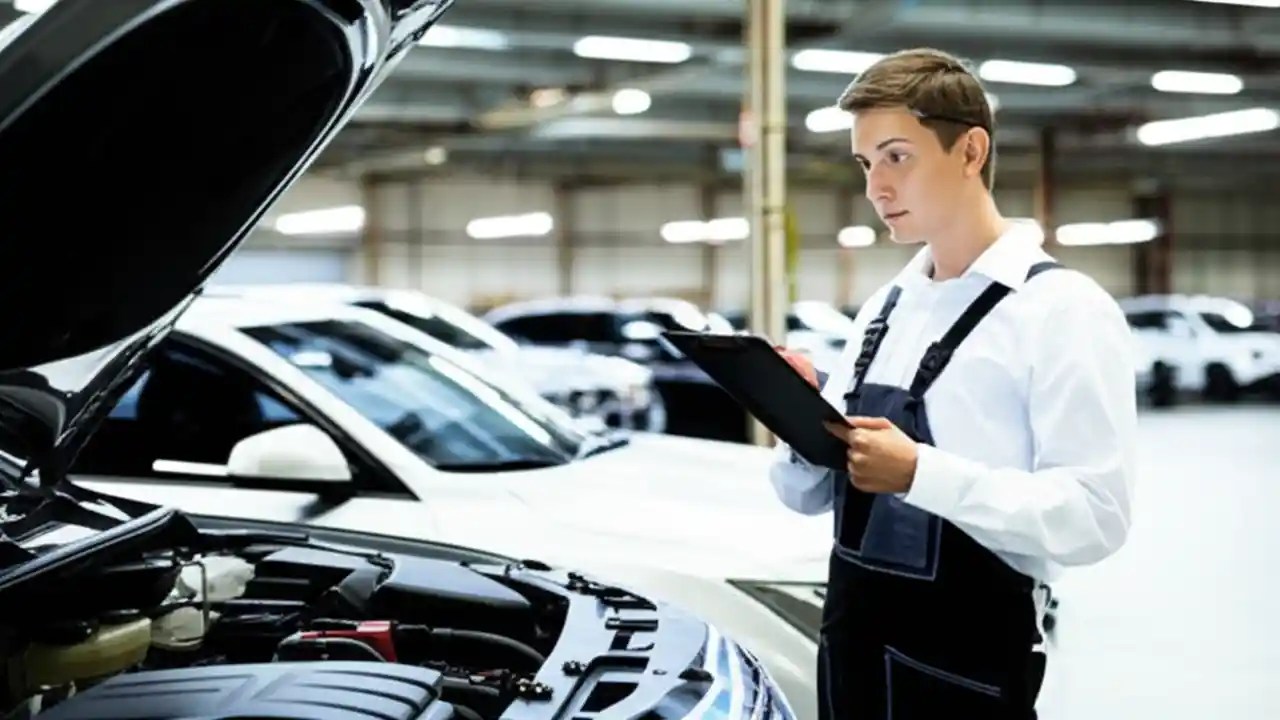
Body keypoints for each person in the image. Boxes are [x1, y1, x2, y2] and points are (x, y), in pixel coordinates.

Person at [770, 48, 1138, 719]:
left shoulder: (1061, 311)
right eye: (864, 164)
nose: (876, 187)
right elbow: (808, 499)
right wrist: (798, 424)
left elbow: (1096, 516)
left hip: (962, 675)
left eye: (896, 157)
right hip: (851, 657)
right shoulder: (887, 308)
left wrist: (921, 475)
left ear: (970, 151)